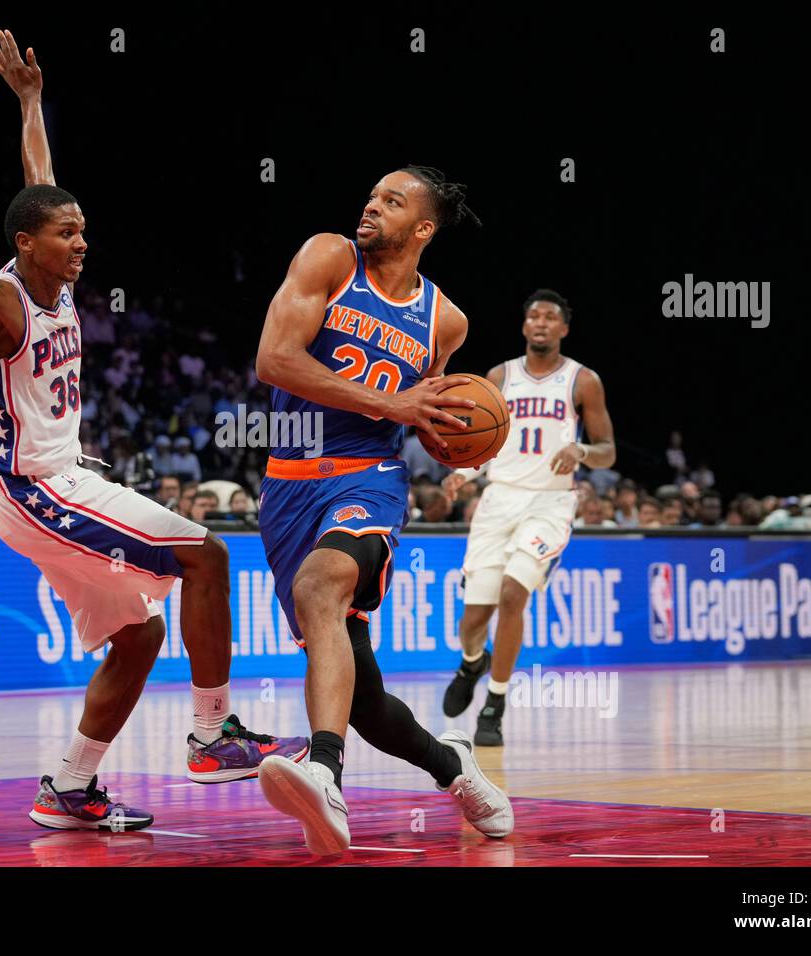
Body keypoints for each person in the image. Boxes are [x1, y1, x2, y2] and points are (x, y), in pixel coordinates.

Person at [0, 29, 305, 833]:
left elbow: (41, 180)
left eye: (84, 232)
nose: (82, 243)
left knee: (139, 636)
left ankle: (68, 788)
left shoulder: (48, 271)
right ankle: (211, 733)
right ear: (26, 244)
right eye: (68, 234)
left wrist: (29, 102)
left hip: (63, 480)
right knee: (207, 557)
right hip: (29, 490)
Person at [254, 164, 512, 855]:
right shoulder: (328, 257)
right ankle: (453, 767)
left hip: (368, 480)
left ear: (423, 228)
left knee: (321, 585)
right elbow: (275, 359)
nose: (371, 208)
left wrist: (453, 444)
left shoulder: (445, 320)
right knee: (365, 701)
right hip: (287, 484)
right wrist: (392, 402)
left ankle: (324, 775)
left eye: (391, 202)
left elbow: (429, 416)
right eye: (370, 196)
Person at [442, 289, 616, 747]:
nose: (540, 322)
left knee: (513, 593)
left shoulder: (583, 381)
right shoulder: (500, 376)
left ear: (563, 328)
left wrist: (581, 449)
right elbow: (482, 438)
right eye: (533, 316)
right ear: (524, 327)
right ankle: (471, 661)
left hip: (550, 502)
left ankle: (495, 705)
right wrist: (463, 473)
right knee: (474, 616)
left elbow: (607, 450)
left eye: (550, 317)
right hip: (499, 499)